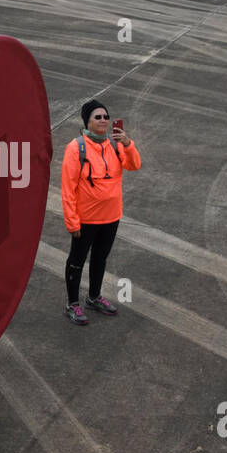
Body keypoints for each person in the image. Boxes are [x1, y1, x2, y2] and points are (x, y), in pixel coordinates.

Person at [61, 99, 141, 325]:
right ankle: (72, 304)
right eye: (98, 117)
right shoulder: (76, 148)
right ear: (87, 121)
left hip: (111, 216)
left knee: (100, 259)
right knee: (76, 261)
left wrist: (128, 143)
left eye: (106, 117)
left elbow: (134, 165)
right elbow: (68, 188)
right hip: (86, 219)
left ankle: (94, 297)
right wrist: (72, 222)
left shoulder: (115, 144)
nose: (104, 120)